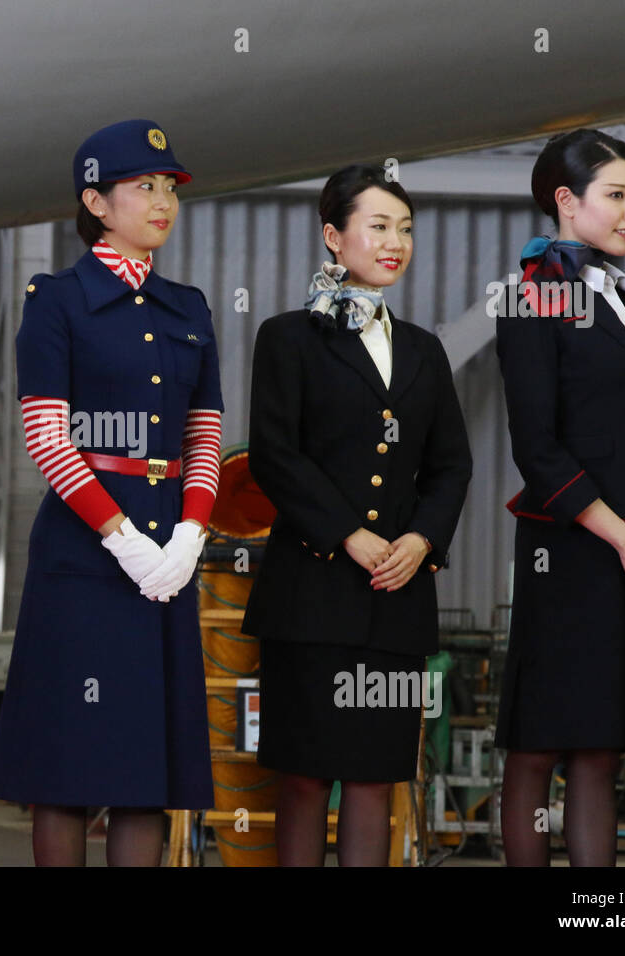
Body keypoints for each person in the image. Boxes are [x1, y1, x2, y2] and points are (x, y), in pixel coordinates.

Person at [0, 119, 224, 866]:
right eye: (142, 187)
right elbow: (49, 440)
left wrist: (191, 534)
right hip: (85, 556)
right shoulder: (56, 299)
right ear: (95, 200)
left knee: (145, 772)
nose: (162, 202)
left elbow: (205, 434)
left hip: (169, 555)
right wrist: (121, 538)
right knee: (67, 768)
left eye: (169, 188)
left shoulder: (190, 308)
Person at [242, 164, 472, 866]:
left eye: (404, 228)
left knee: (377, 779)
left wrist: (421, 539)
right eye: (378, 226)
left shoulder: (427, 352)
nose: (395, 241)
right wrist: (351, 533)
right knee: (306, 775)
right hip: (309, 597)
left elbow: (451, 465)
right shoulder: (288, 339)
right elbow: (276, 458)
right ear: (334, 237)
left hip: (397, 598)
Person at [495, 129, 625, 866]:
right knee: (541, 745)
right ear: (566, 202)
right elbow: (537, 448)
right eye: (616, 195)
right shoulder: (533, 298)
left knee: (600, 751)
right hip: (571, 547)